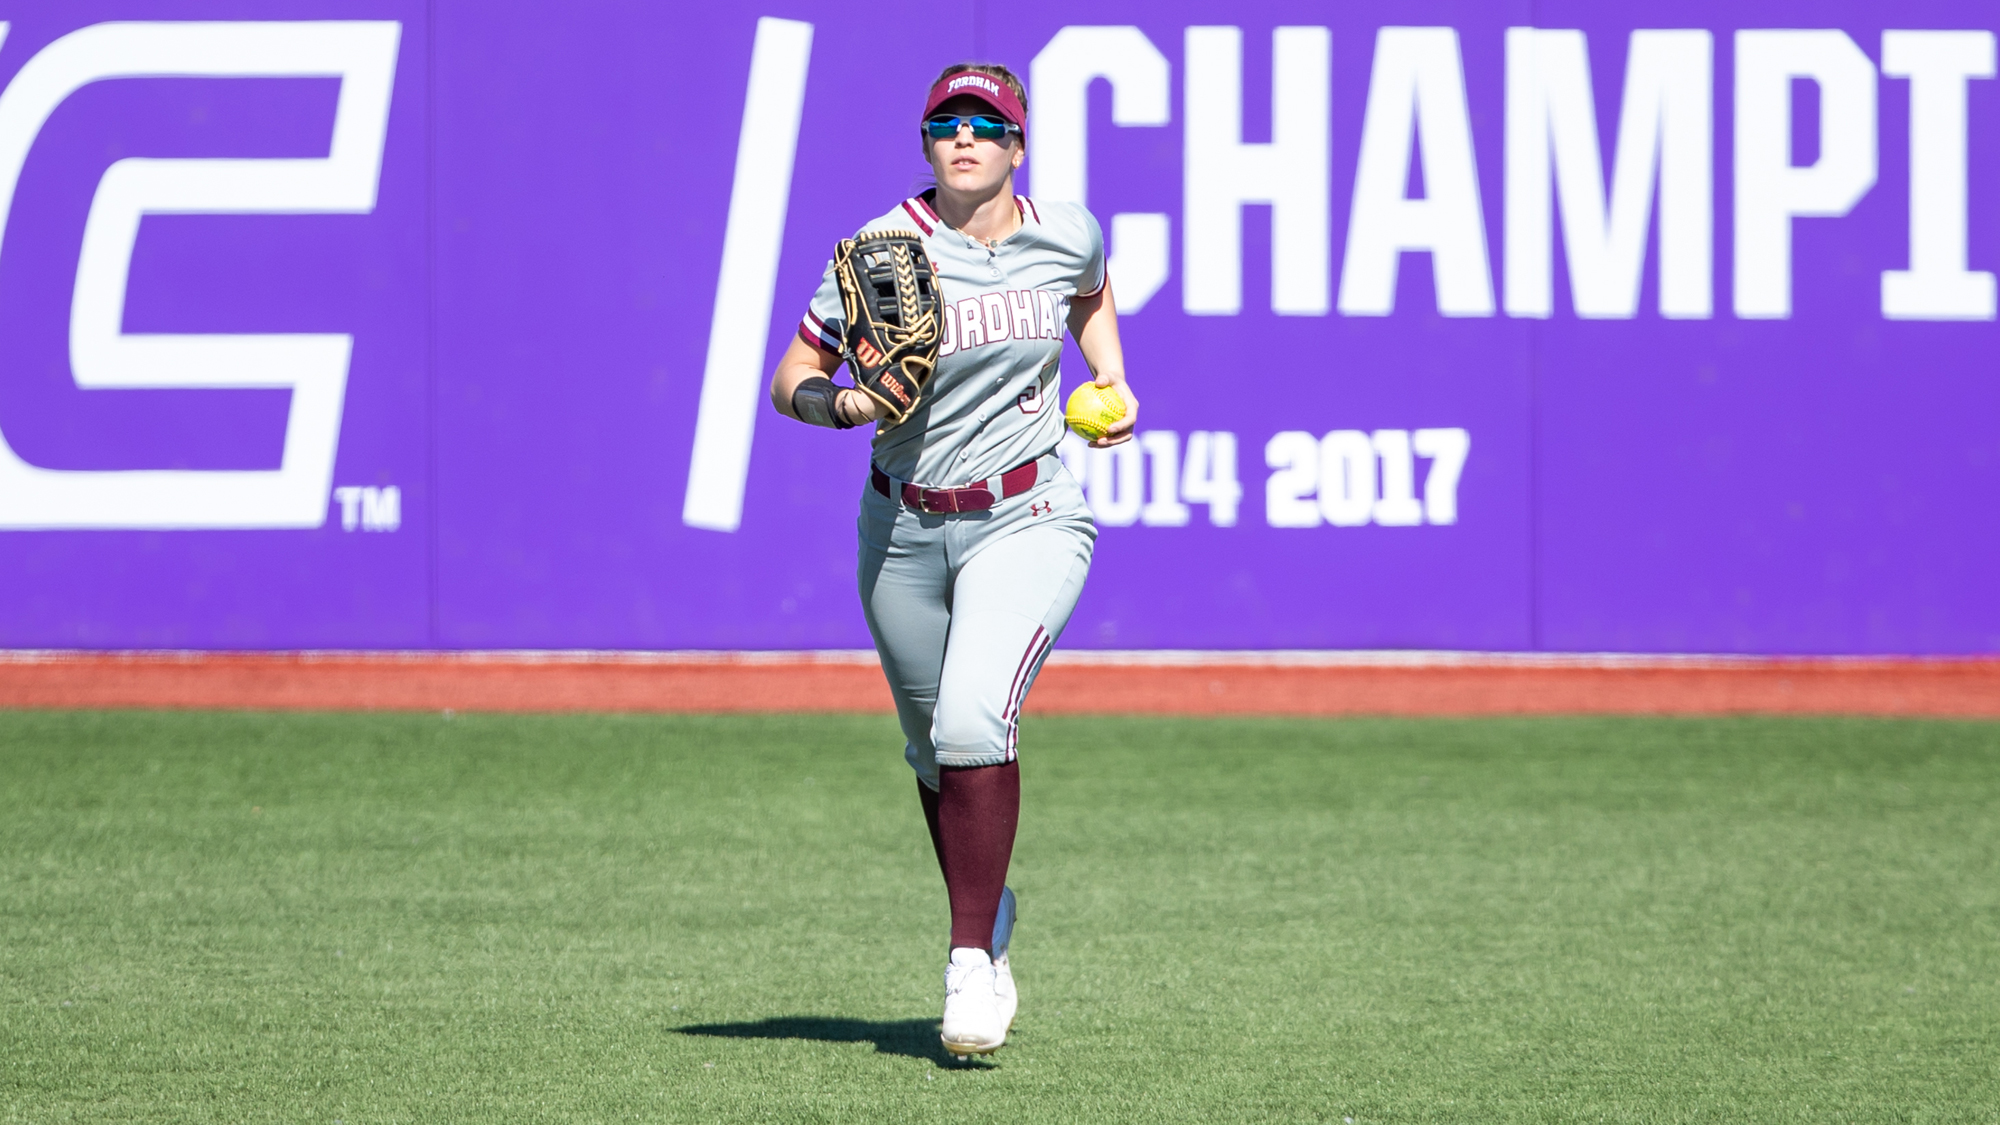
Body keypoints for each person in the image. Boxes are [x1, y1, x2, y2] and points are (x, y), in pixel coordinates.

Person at [769, 62, 1137, 1057]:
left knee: (978, 715)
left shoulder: (1064, 231)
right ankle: (989, 909)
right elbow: (792, 375)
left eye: (986, 123)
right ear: (926, 143)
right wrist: (835, 402)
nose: (964, 137)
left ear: (1017, 145)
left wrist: (1109, 372)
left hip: (1027, 514)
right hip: (900, 528)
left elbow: (1088, 292)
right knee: (935, 748)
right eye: (946, 123)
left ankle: (967, 957)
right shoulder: (882, 253)